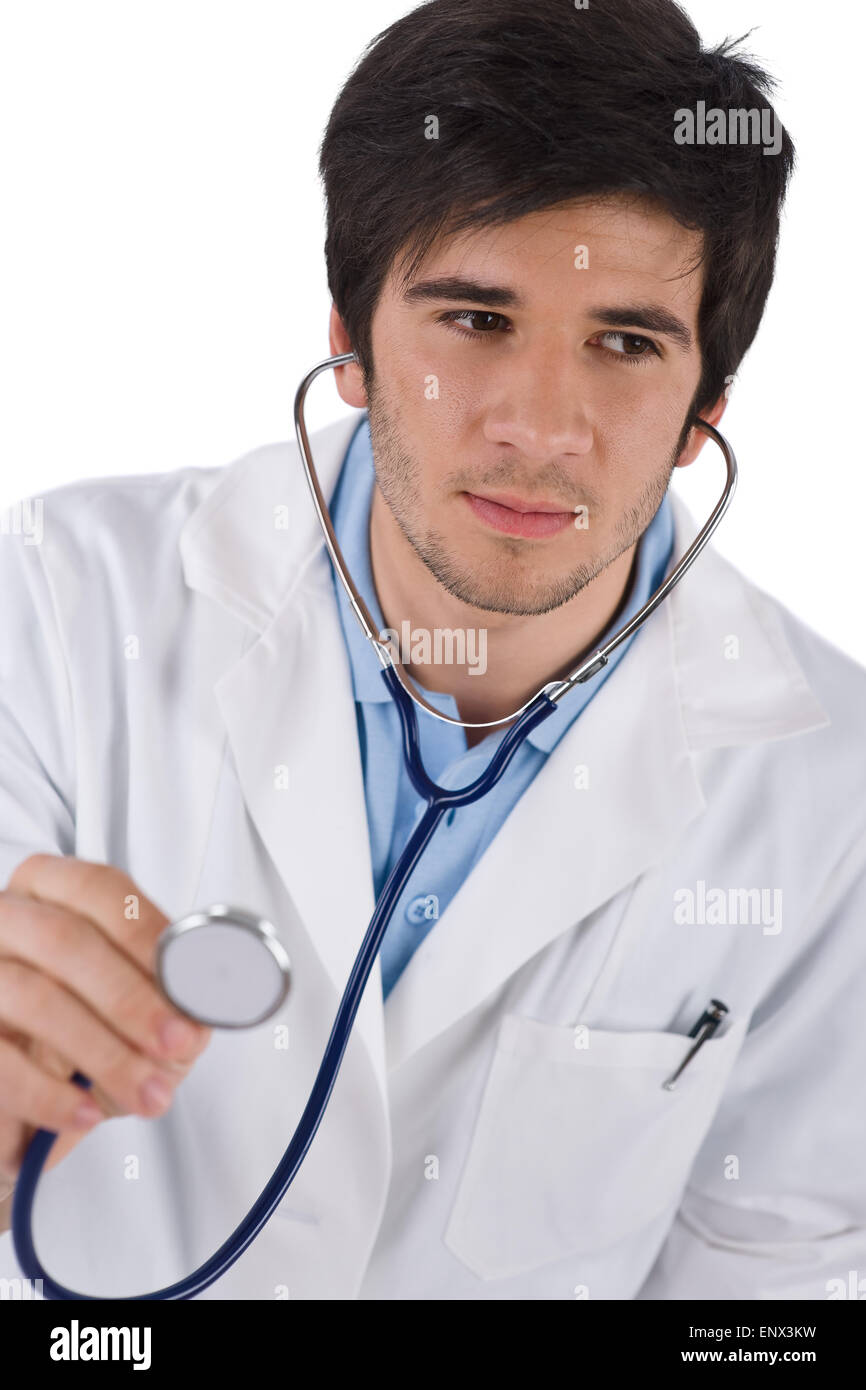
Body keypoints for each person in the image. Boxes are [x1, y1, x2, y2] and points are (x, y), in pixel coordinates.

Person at [0, 0, 863, 1301]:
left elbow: (774, 1281)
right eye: (473, 320)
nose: (541, 426)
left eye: (625, 344)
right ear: (347, 341)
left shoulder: (826, 790)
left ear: (703, 415)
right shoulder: (57, 607)